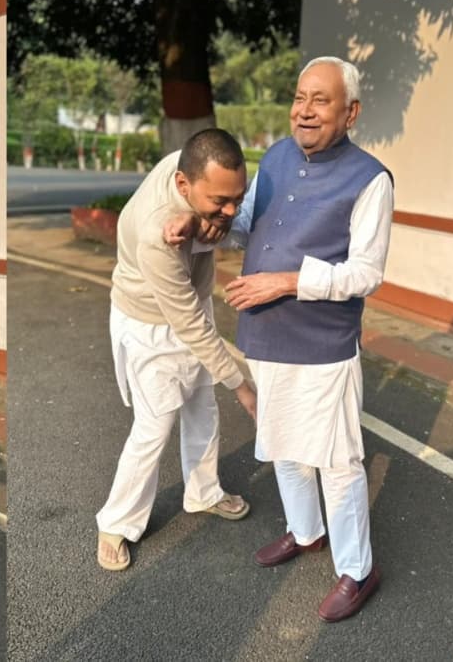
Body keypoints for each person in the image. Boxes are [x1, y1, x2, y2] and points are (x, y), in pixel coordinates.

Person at [167, 56, 393, 622]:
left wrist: (288, 281)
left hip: (322, 346)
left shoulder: (371, 179)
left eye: (321, 100)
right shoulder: (274, 158)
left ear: (351, 112)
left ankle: (358, 570)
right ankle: (305, 531)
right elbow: (247, 223)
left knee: (337, 462)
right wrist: (200, 224)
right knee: (283, 447)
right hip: (263, 336)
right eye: (299, 97)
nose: (305, 110)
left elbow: (366, 273)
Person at [94, 128, 258, 572]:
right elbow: (189, 325)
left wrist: (202, 226)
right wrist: (241, 384)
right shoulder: (156, 235)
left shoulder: (187, 170)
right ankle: (116, 522)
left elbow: (213, 226)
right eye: (219, 203)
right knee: (154, 425)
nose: (230, 211)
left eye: (236, 198)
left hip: (188, 307)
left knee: (202, 408)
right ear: (185, 187)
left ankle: (204, 493)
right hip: (149, 323)